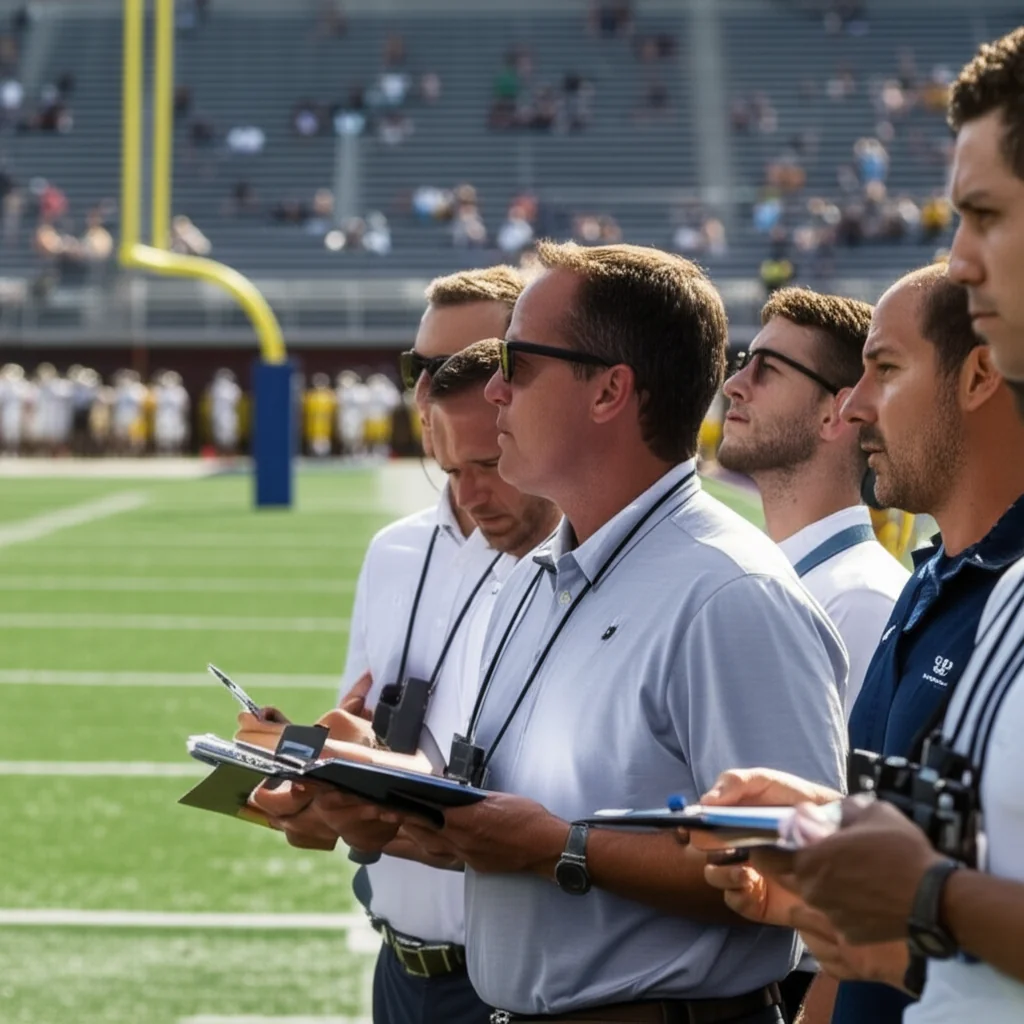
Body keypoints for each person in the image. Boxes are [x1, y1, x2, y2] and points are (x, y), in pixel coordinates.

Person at [285, 243, 849, 1022]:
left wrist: (561, 848)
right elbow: (501, 822)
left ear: (610, 390)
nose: (494, 388)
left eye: (516, 362)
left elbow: (795, 867)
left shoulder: (731, 594)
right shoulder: (533, 578)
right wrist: (380, 796)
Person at [692, 262, 1024, 1024]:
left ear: (979, 375)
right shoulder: (926, 585)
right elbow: (909, 903)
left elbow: (940, 895)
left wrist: (926, 896)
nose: (858, 405)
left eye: (886, 370)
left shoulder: (930, 594)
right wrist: (825, 844)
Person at [718, 287, 909, 716]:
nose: (734, 385)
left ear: (834, 413)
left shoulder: (860, 603)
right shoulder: (783, 579)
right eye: (745, 363)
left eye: (767, 368)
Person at [303, 372, 337, 458]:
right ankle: (314, 453)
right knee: (314, 438)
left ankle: (324, 454)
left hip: (325, 421)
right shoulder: (311, 395)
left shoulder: (329, 395)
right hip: (314, 421)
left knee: (324, 438)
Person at [209, 368, 241, 456]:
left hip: (229, 415)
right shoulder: (215, 388)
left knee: (230, 434)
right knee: (218, 434)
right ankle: (220, 453)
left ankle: (230, 453)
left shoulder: (233, 388)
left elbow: (236, 401)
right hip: (218, 415)